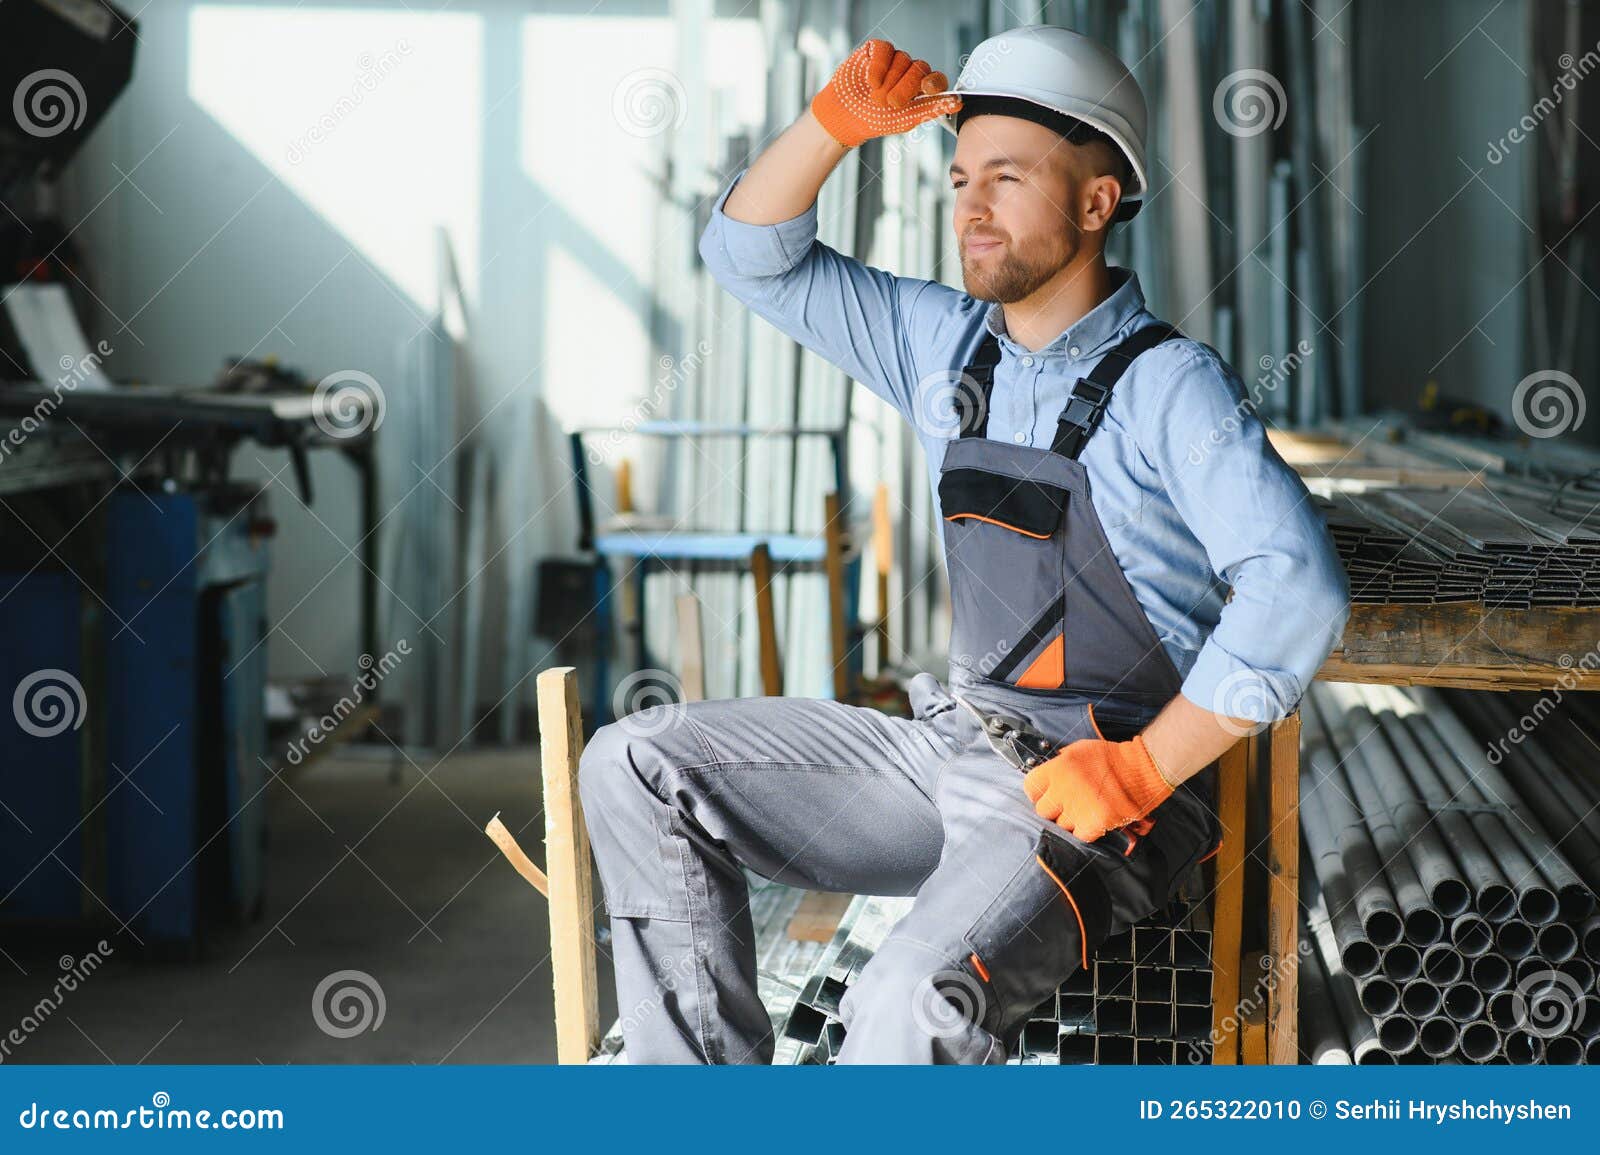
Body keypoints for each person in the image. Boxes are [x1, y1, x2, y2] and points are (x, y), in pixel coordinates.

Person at [578, 25, 1350, 1064]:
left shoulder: (1171, 387)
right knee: (632, 760)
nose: (970, 208)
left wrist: (1140, 771)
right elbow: (745, 255)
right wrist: (828, 125)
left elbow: (1295, 590)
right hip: (953, 749)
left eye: (1007, 178)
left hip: (1097, 796)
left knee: (907, 1004)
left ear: (1094, 202)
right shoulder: (942, 344)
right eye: (956, 179)